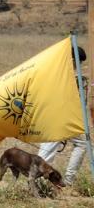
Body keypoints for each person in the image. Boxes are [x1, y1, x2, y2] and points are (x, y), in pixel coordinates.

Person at [38, 46, 89, 185]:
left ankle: (66, 180)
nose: (80, 66)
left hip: (59, 118)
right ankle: (39, 182)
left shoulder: (56, 72)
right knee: (46, 153)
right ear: (72, 60)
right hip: (56, 118)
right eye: (79, 62)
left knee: (82, 143)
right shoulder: (61, 75)